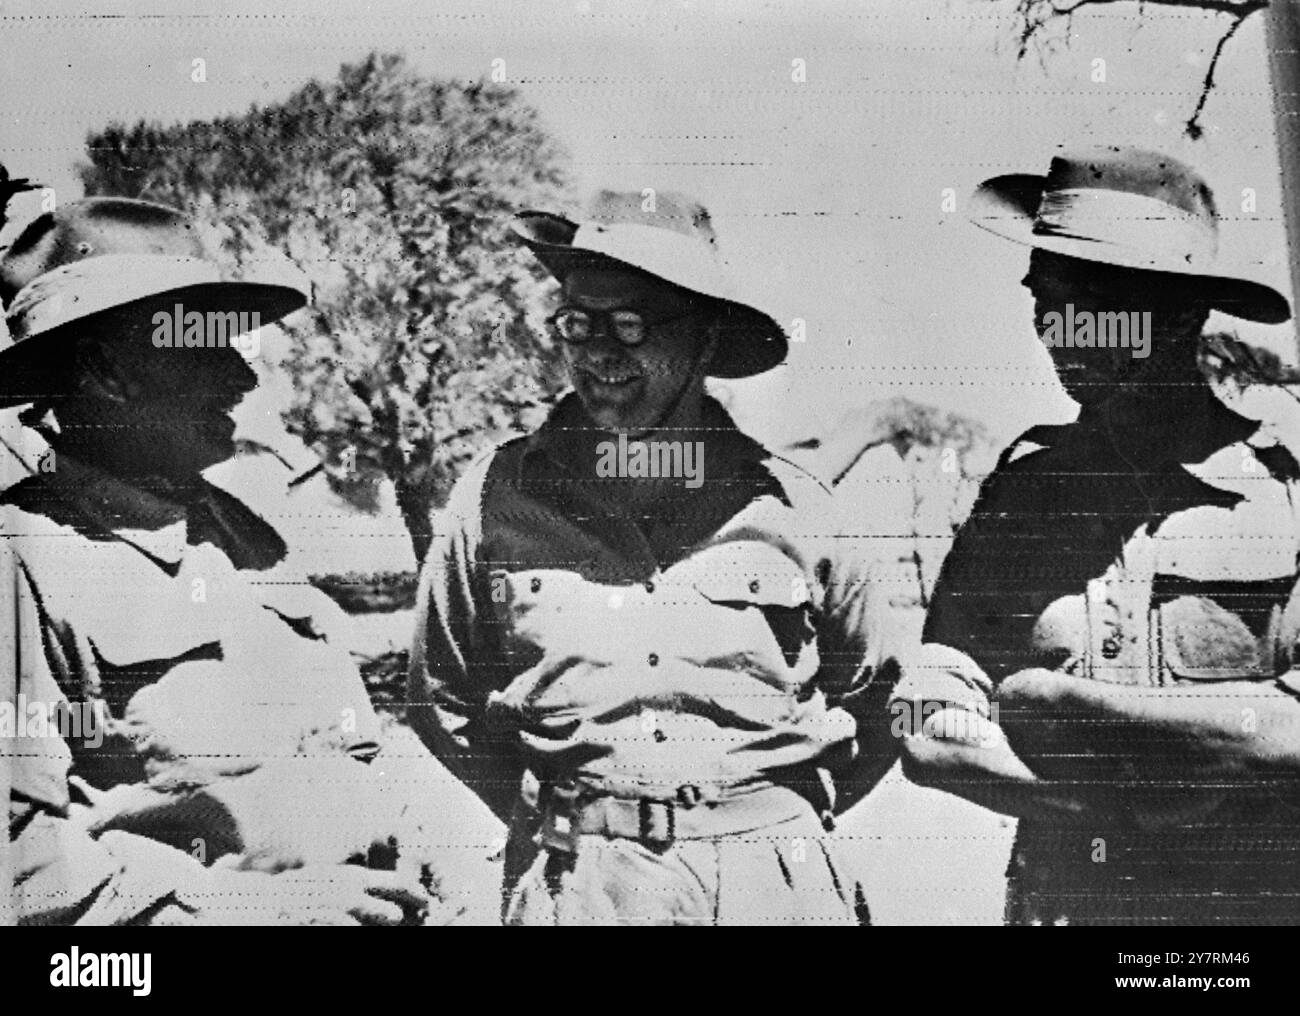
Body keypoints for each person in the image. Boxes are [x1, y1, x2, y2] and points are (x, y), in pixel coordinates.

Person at [408, 190, 909, 925]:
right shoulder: (494, 495)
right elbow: (441, 698)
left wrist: (762, 821)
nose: (600, 350)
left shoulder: (797, 507)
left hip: (773, 887)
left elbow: (877, 701)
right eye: (578, 323)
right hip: (577, 886)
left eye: (632, 323)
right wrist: (573, 818)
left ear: (705, 339)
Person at [1, 197, 440, 925]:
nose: (243, 379)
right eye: (202, 346)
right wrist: (256, 912)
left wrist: (410, 826)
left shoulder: (238, 532)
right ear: (107, 369)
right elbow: (23, 869)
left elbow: (353, 750)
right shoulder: (23, 560)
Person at [901, 146, 1300, 925]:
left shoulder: (1287, 490)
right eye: (1046, 300)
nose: (1060, 332)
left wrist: (1054, 701)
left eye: (1097, 305)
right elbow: (925, 711)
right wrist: (1119, 804)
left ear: (1184, 312)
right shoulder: (1023, 493)